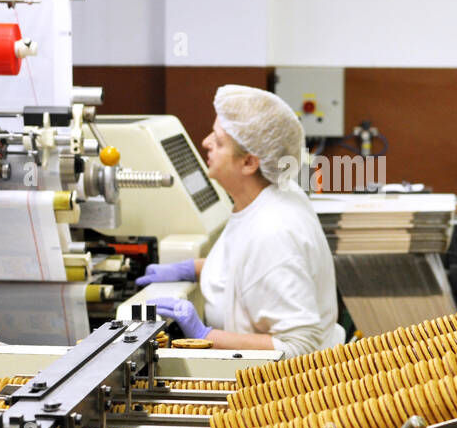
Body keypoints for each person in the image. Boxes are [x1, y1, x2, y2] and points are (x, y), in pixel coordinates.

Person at [136, 85, 344, 357]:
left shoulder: (272, 232)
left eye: (219, 142)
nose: (206, 142)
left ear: (249, 163)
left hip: (290, 388)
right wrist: (192, 268)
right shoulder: (272, 194)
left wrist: (204, 336)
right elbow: (248, 266)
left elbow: (300, 346)